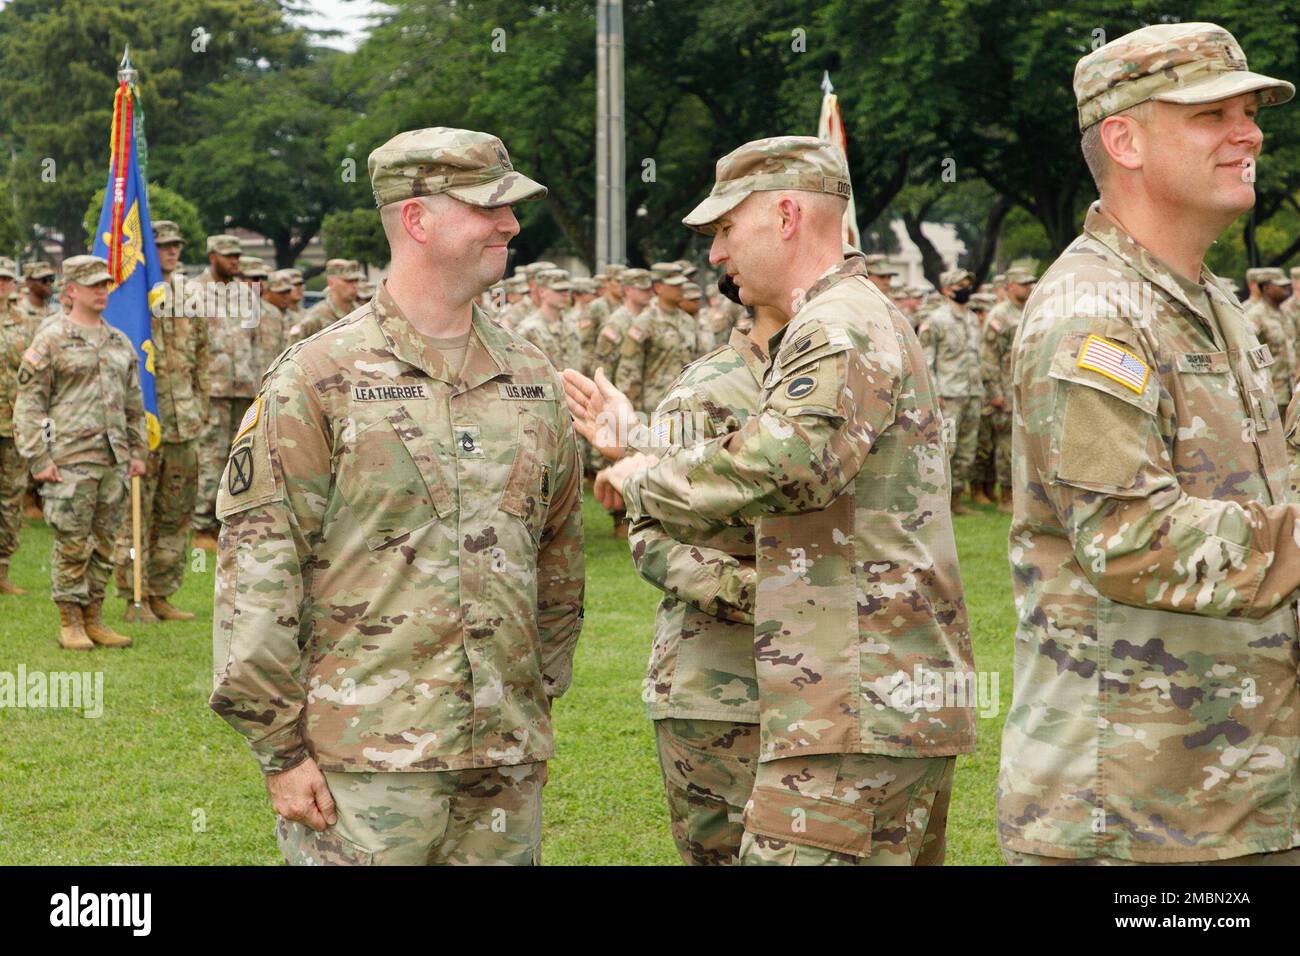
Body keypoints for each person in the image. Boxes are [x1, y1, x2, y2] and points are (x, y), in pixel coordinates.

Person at [568, 136, 974, 865]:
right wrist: (638, 437)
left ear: (786, 215)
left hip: (852, 703)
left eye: (726, 229)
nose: (717, 254)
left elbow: (788, 464)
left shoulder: (837, 321)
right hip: (869, 693)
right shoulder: (850, 316)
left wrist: (639, 474)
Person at [209, 127, 584, 866]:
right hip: (365, 766)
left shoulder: (533, 378)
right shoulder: (318, 377)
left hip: (502, 763)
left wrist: (527, 695)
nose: (510, 224)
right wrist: (281, 751)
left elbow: (558, 550)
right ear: (417, 219)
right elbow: (259, 573)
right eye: (489, 208)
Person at [1000, 22, 1300, 865]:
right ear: (1124, 139)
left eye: (1249, 112)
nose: (1249, 133)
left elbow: (1262, 486)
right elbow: (1131, 540)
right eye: (1213, 116)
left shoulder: (1214, 305)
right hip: (1131, 817)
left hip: (1232, 792)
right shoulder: (1093, 316)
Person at [15, 256, 147, 650]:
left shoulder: (118, 340)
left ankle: (94, 616)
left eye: (104, 284)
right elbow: (29, 405)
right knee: (72, 542)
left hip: (113, 459)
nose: (101, 291)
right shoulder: (50, 338)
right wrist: (39, 459)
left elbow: (134, 404)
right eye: (93, 285)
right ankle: (69, 620)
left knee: (105, 542)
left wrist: (137, 450)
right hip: (69, 459)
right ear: (70, 290)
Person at [113, 219, 209, 622]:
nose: (171, 251)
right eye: (163, 246)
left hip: (184, 421)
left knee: (176, 513)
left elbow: (201, 352)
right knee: (138, 513)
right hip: (144, 423)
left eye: (176, 245)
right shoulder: (131, 295)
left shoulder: (190, 294)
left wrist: (200, 405)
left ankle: (162, 591)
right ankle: (134, 593)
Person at [918, 268, 983, 515]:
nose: (965, 288)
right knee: (946, 449)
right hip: (948, 396)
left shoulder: (972, 318)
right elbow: (926, 361)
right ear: (946, 290)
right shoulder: (935, 320)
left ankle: (956, 502)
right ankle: (937, 504)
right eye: (960, 285)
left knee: (967, 450)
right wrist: (935, 395)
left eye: (968, 284)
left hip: (972, 393)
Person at [286, 258, 360, 343]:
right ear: (331, 282)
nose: (355, 286)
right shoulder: (315, 317)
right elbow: (293, 349)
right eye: (348, 281)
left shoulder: (361, 313)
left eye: (356, 280)